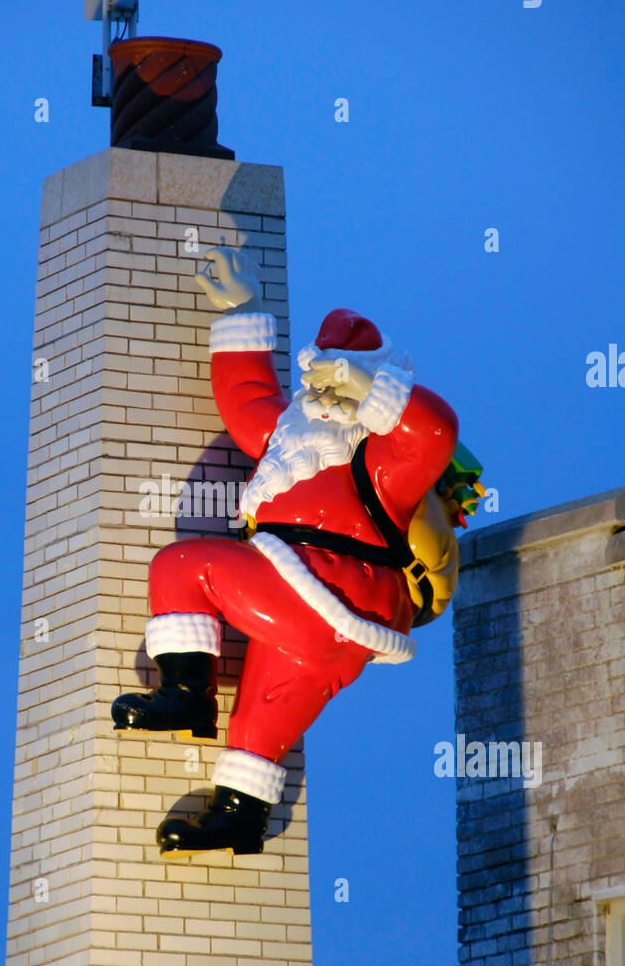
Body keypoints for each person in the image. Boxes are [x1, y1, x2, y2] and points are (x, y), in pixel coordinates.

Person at [111, 246, 458, 857]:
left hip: (324, 584)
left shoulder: (382, 459)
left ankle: (188, 693)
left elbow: (434, 431)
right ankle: (239, 819)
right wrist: (244, 312)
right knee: (263, 719)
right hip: (331, 629)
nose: (324, 389)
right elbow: (247, 397)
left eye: (341, 376)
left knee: (184, 567)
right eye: (320, 373)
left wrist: (369, 389)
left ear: (374, 382)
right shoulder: (292, 429)